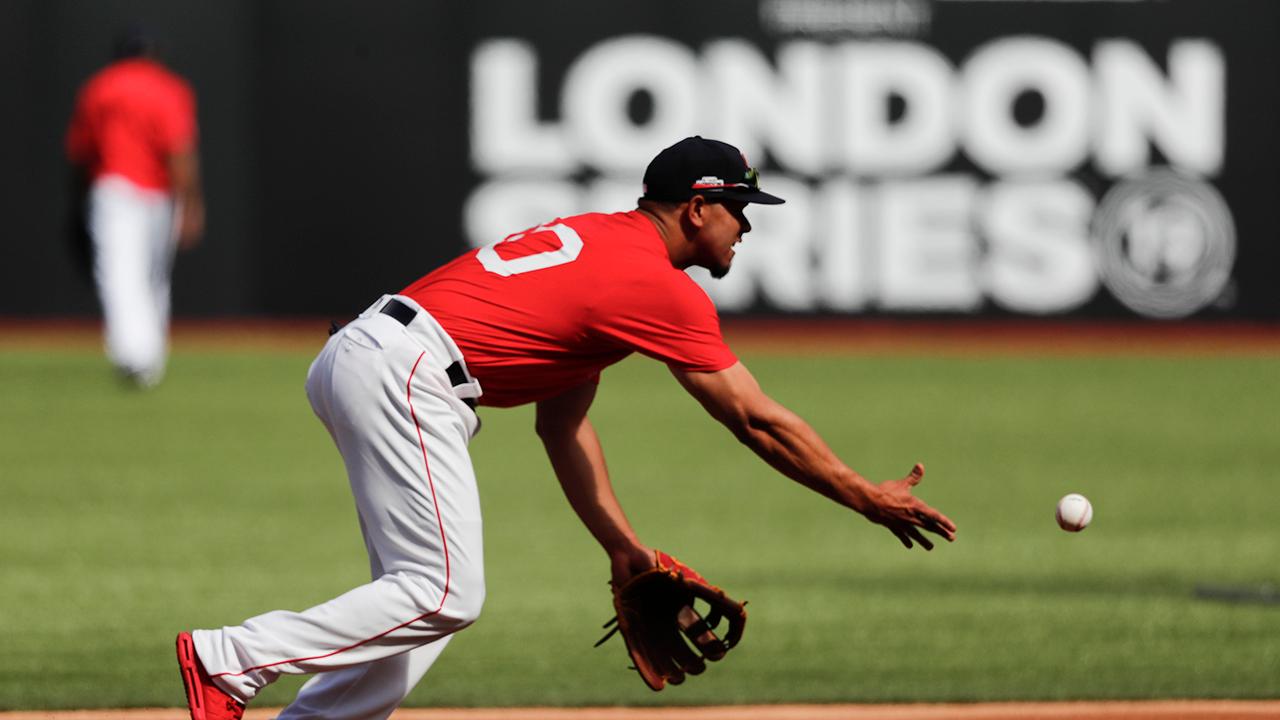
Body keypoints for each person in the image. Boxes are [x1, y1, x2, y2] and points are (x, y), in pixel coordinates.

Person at [175, 136, 957, 720]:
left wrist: (622, 549)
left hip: (376, 356)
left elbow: (563, 427)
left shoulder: (606, 250)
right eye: (740, 211)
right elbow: (756, 419)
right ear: (697, 207)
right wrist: (865, 496)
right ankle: (229, 660)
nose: (745, 229)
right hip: (409, 370)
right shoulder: (658, 287)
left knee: (419, 608)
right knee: (443, 592)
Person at [66, 29, 204, 388]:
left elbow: (81, 154)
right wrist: (191, 203)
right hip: (160, 194)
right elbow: (180, 151)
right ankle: (147, 355)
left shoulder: (100, 86)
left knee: (120, 272)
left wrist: (79, 199)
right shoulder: (168, 86)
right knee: (152, 276)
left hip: (115, 188)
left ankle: (135, 355)